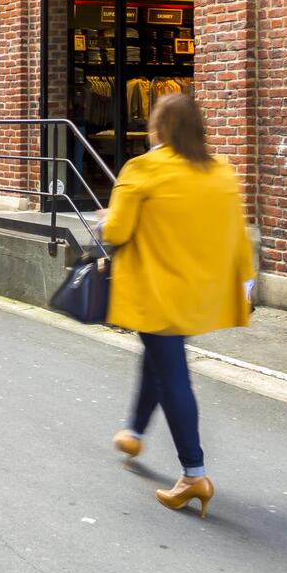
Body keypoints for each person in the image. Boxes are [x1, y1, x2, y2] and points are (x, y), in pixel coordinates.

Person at [103, 95, 252, 518]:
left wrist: (103, 218)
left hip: (155, 289)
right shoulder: (221, 170)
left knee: (173, 376)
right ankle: (133, 431)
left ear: (159, 128)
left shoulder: (143, 169)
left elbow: (116, 230)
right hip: (197, 290)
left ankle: (193, 474)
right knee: (158, 359)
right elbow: (236, 232)